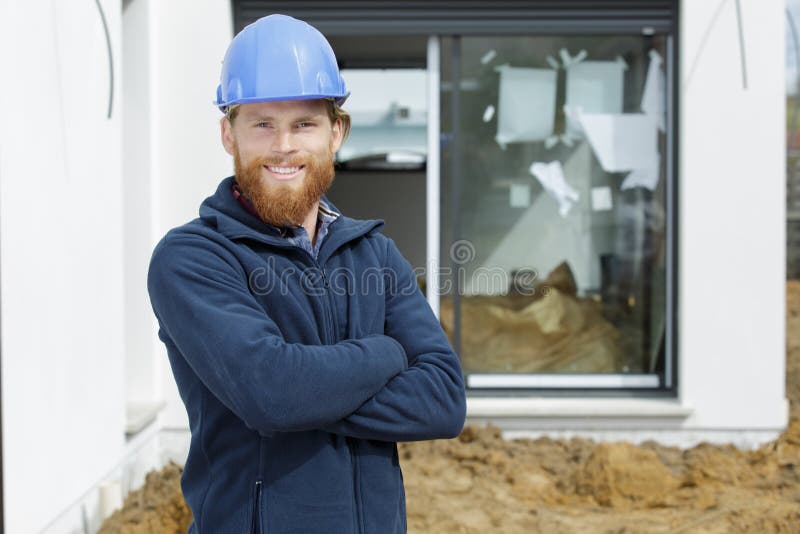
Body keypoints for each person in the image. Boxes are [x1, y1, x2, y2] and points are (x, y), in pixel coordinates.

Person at [147, 14, 466, 534]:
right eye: (263, 124)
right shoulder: (194, 259)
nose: (284, 146)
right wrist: (387, 353)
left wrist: (301, 389)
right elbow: (272, 394)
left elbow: (444, 401)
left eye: (304, 124)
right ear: (229, 134)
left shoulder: (375, 255)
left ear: (336, 132)